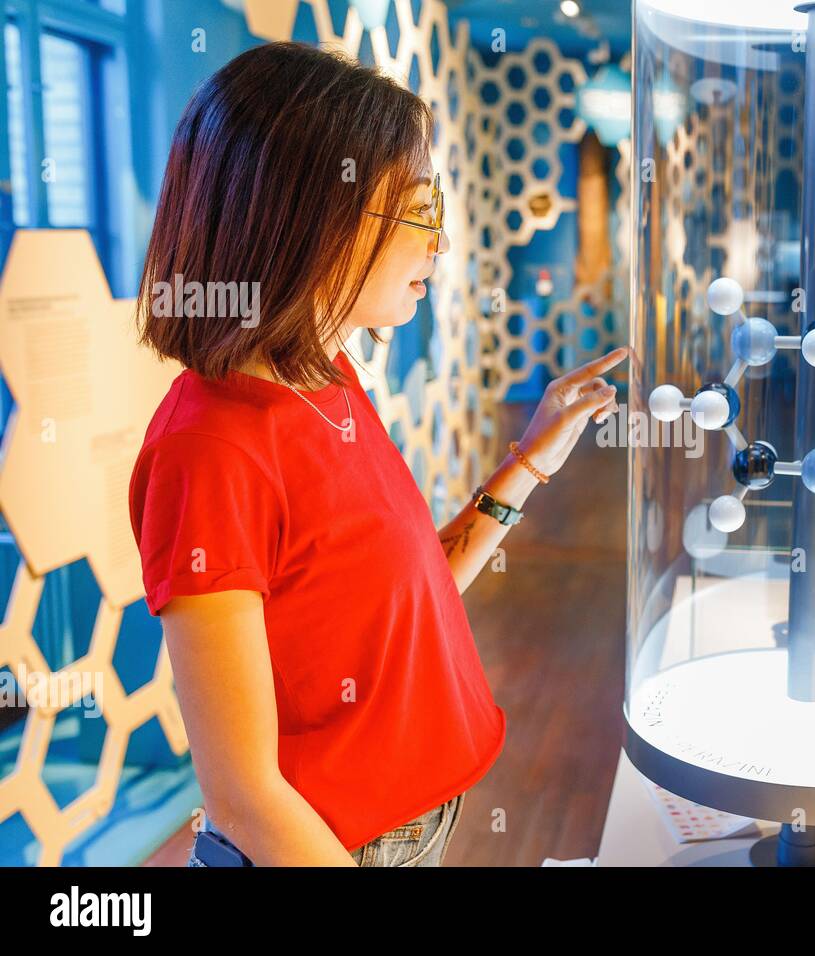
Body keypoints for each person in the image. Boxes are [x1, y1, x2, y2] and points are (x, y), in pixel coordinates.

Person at [128, 41, 627, 866]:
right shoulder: (209, 448)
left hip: (413, 829)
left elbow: (403, 603)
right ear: (316, 216)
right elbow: (246, 800)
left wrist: (529, 461)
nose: (440, 247)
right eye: (421, 213)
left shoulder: (327, 378)